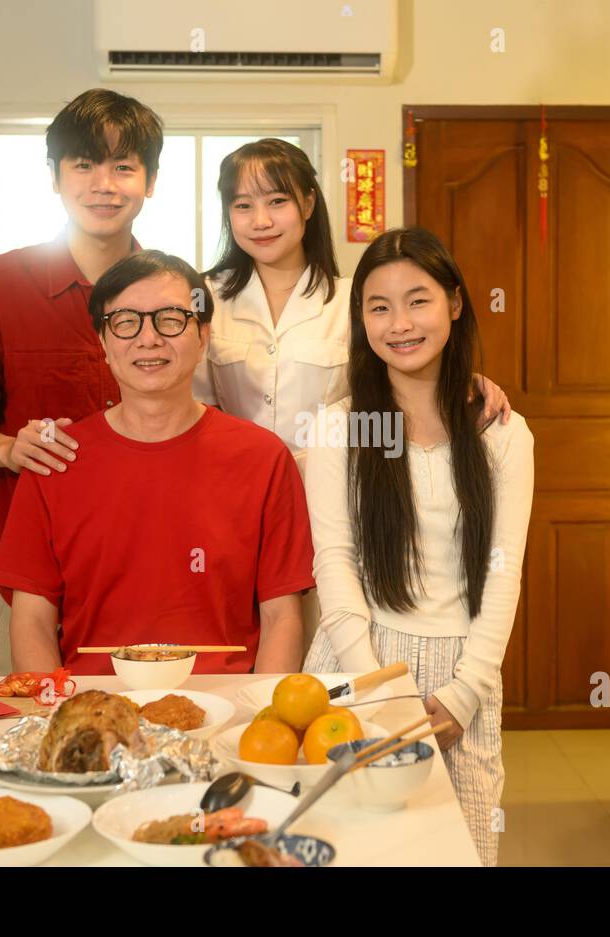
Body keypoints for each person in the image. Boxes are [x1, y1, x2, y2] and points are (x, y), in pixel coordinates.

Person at [195, 138, 513, 656]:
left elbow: (404, 364)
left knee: (327, 641)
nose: (261, 219)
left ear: (308, 204)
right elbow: (193, 405)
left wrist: (468, 382)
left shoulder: (352, 299)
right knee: (241, 651)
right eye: (242, 205)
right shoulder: (207, 297)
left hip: (334, 505)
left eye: (276, 200)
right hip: (234, 505)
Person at [302, 227, 535, 866]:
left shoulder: (504, 434)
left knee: (457, 851)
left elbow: (503, 568)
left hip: (464, 672)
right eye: (378, 307)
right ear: (361, 320)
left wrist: (464, 692)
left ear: (455, 304)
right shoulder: (337, 429)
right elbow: (334, 560)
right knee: (343, 850)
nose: (399, 324)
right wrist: (379, 689)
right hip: (357, 661)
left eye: (418, 301)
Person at [0, 89, 162, 675]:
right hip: (32, 592)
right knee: (13, 751)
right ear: (55, 177)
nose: (103, 184)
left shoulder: (175, 293)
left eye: (123, 166)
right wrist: (5, 449)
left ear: (150, 182)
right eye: (84, 164)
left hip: (155, 578)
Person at [0, 251, 313, 675]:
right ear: (103, 343)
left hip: (226, 708)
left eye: (171, 320)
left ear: (203, 338)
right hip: (92, 709)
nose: (149, 339)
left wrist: (262, 718)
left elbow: (282, 618)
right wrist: (61, 723)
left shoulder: (263, 458)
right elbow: (31, 621)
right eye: (126, 322)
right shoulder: (56, 460)